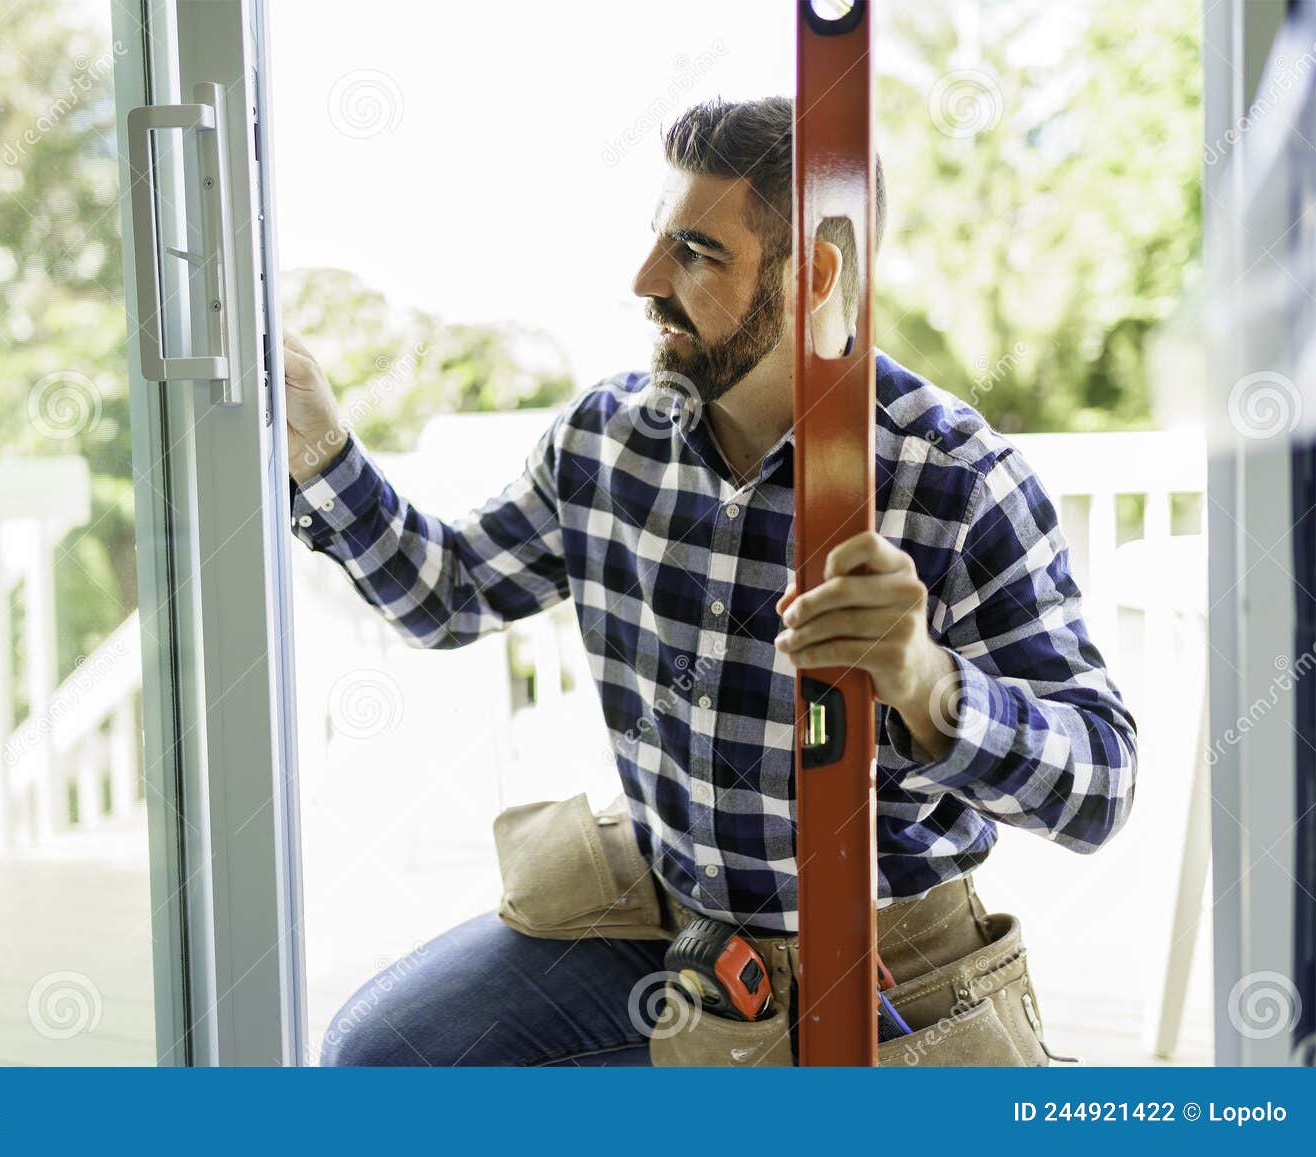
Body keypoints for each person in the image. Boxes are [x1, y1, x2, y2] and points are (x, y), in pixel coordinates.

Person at [282, 96, 1137, 1066]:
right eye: (659, 237)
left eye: (694, 252)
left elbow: (1100, 787)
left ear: (813, 275)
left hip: (887, 974)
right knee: (376, 1058)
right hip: (670, 938)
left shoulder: (956, 480)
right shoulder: (606, 442)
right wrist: (320, 447)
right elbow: (447, 597)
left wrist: (927, 682)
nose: (644, 279)